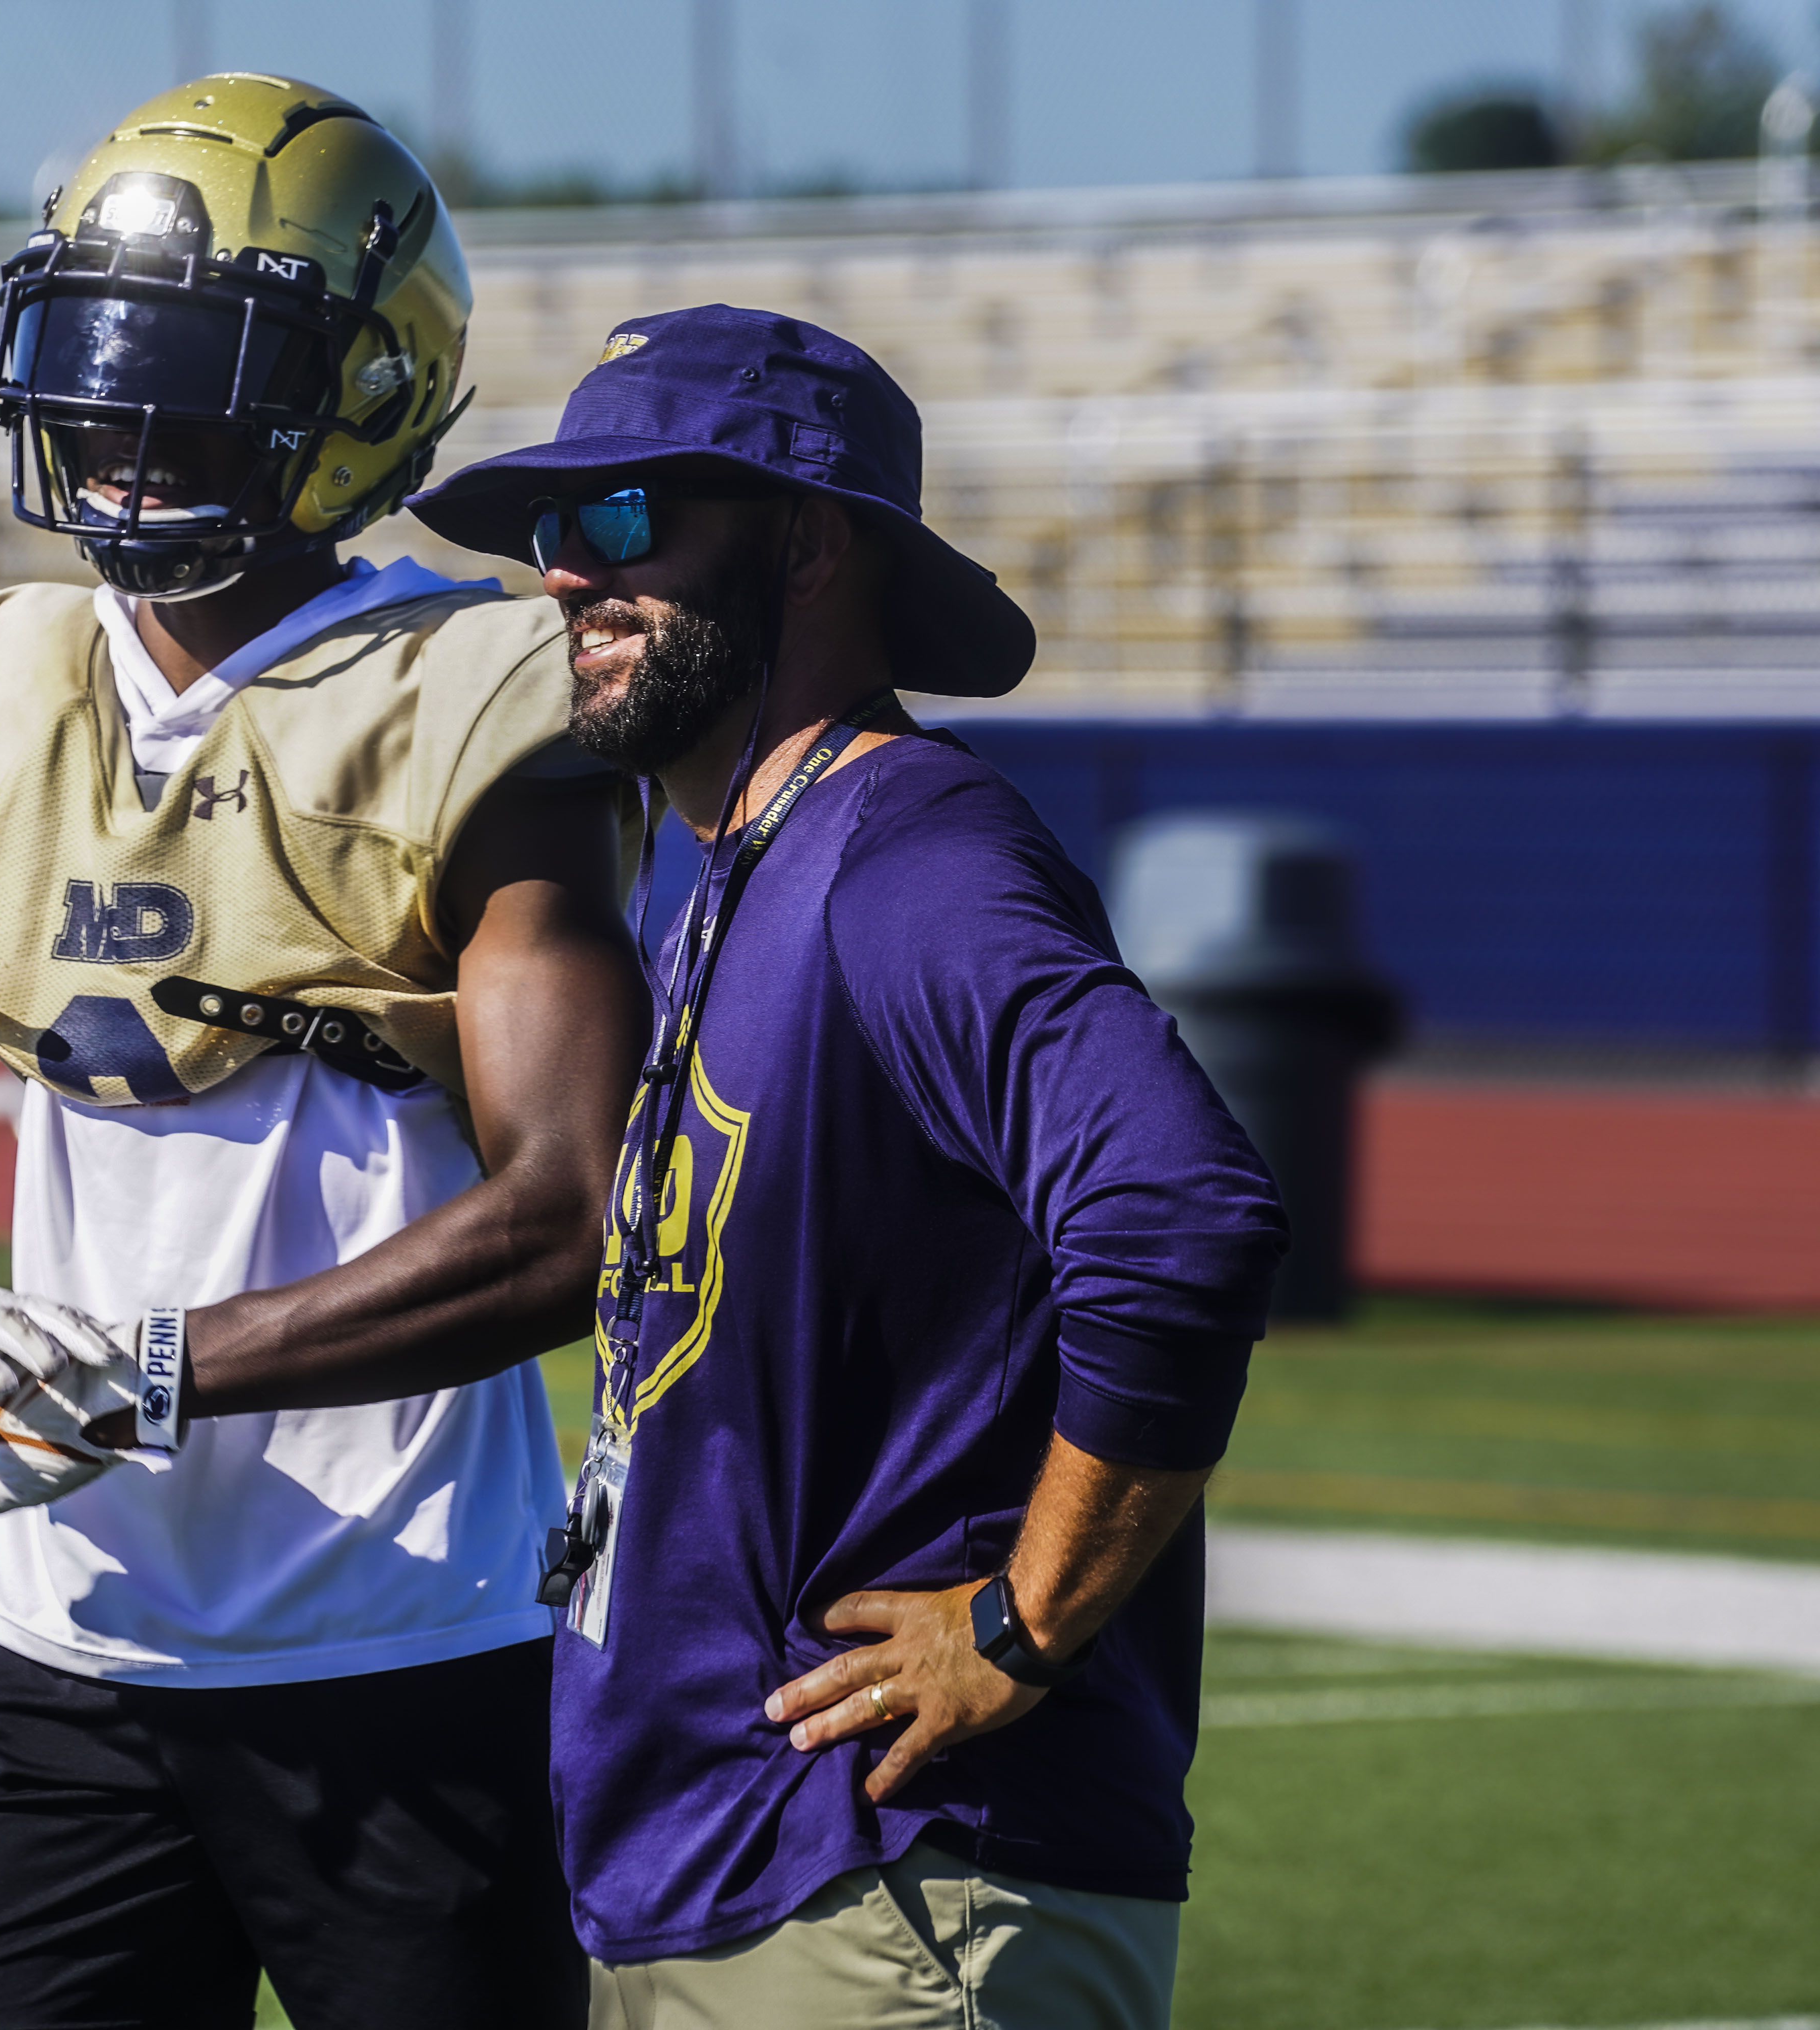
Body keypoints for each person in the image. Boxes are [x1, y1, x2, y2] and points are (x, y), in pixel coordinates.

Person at [0, 76, 638, 2030]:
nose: (121, 420)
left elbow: (571, 1218)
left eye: (198, 369)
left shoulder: (478, 693)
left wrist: (149, 1372)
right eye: (98, 354)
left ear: (367, 394)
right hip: (52, 1660)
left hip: (408, 1646)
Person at [407, 304, 1288, 2028]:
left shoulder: (908, 858)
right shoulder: (738, 868)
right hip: (734, 1873)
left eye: (625, 517)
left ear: (809, 545)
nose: (566, 573)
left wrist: (1022, 1622)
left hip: (890, 1884)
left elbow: (1179, 1214)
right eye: (551, 528)